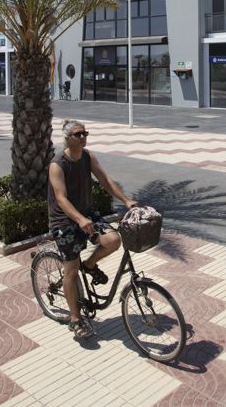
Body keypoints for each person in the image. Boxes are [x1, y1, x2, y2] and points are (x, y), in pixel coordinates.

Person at [48, 119, 137, 340]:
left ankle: (89, 264)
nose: (83, 137)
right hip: (64, 221)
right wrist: (78, 219)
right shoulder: (57, 164)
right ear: (67, 138)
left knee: (113, 240)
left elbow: (105, 180)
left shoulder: (88, 156)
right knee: (70, 270)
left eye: (85, 133)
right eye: (78, 134)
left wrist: (125, 200)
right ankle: (75, 319)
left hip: (86, 214)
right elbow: (60, 198)